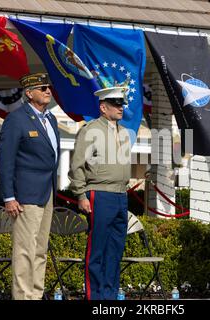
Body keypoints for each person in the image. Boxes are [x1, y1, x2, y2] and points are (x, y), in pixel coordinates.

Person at [0, 72, 60, 300]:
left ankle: (35, 294)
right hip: (25, 195)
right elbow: (5, 161)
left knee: (40, 250)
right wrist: (8, 197)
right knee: (25, 250)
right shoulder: (16, 119)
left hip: (48, 192)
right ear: (29, 92)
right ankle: (23, 296)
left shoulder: (51, 119)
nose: (47, 91)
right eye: (43, 87)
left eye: (48, 87)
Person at [69, 86, 131, 300]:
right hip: (100, 194)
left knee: (115, 251)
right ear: (103, 107)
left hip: (121, 195)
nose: (120, 108)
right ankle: (94, 297)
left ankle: (109, 297)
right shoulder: (90, 129)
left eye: (121, 104)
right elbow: (77, 165)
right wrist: (80, 195)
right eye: (115, 104)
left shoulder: (123, 132)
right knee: (97, 250)